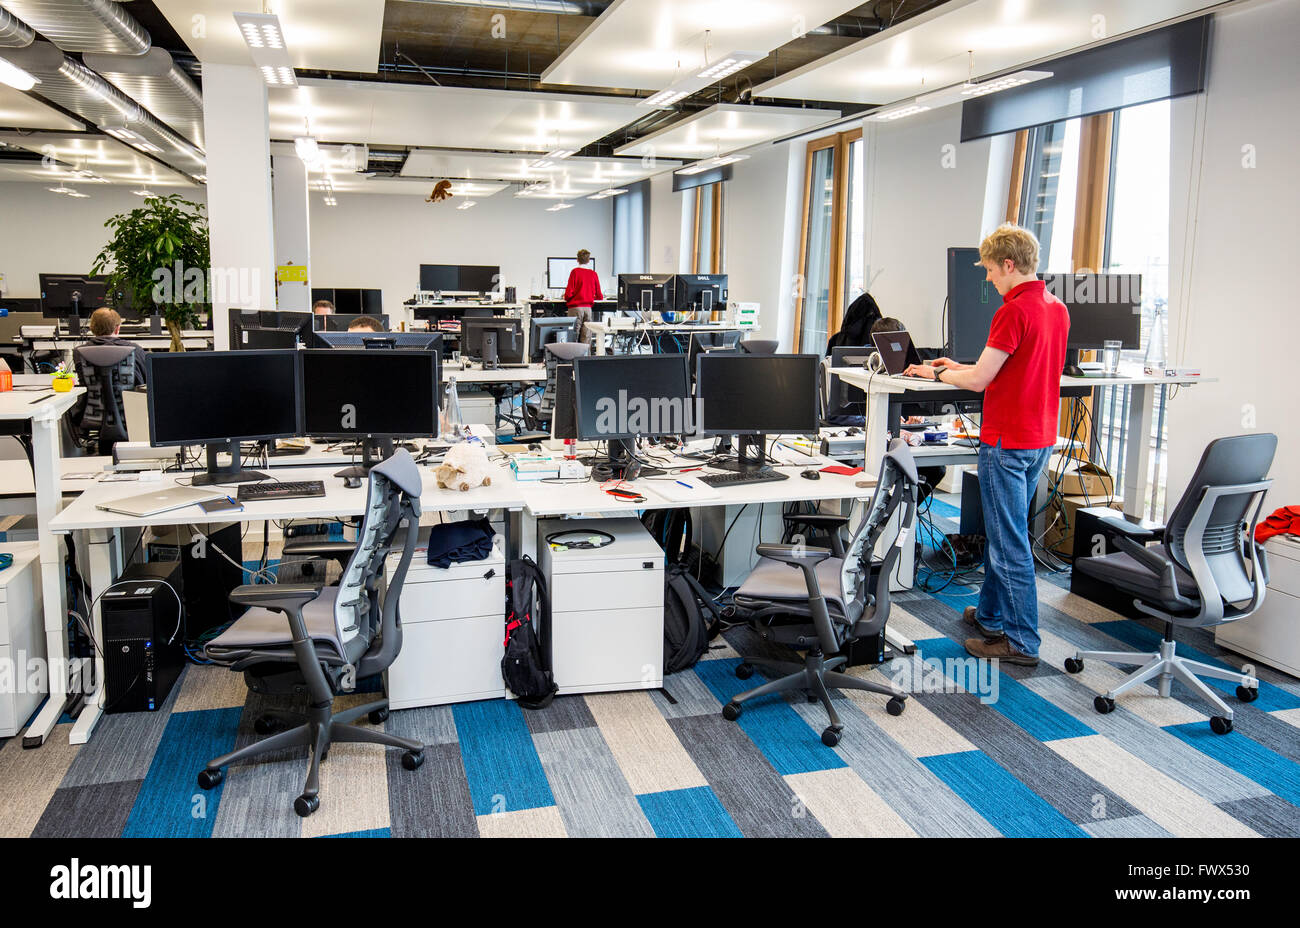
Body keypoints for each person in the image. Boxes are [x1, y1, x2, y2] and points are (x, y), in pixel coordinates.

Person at [903, 224, 1068, 667]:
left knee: (1009, 540)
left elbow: (979, 382)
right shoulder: (1056, 307)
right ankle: (993, 616)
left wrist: (934, 374)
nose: (990, 280)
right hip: (1039, 438)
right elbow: (1010, 366)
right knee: (1005, 531)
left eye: (992, 271)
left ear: (1009, 265)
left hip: (1007, 440)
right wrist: (958, 364)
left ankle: (1021, 641)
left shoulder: (1012, 311)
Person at [870, 317, 945, 503]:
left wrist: (916, 416)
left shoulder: (911, 368)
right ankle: (892, 511)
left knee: (937, 468)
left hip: (905, 436)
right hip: (877, 436)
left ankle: (904, 512)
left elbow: (917, 404)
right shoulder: (870, 368)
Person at [76, 307, 147, 385]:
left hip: (92, 397)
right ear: (117, 329)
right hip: (130, 397)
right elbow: (147, 381)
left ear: (92, 328)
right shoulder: (135, 350)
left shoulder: (79, 352)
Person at [562, 249, 602, 342]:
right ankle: (585, 356)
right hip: (588, 309)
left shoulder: (575, 272)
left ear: (577, 259)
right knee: (586, 336)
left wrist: (568, 297)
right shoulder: (593, 274)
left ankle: (573, 355)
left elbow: (568, 294)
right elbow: (600, 296)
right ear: (588, 261)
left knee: (573, 335)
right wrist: (589, 296)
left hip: (575, 308)